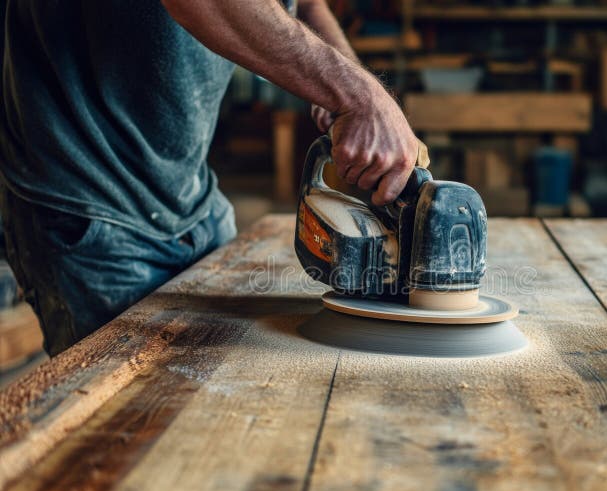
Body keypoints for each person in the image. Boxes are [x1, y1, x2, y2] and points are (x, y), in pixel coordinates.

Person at [0, 0, 420, 355]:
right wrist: (359, 96)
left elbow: (305, 3)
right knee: (128, 430)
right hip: (87, 197)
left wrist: (350, 92)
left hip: (190, 195)